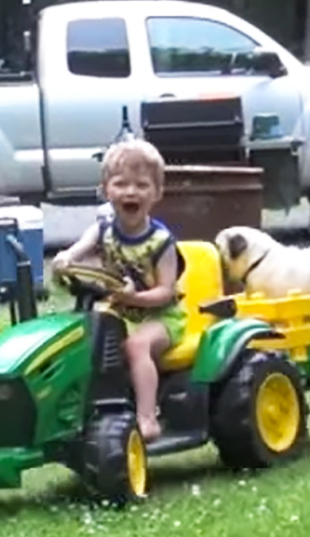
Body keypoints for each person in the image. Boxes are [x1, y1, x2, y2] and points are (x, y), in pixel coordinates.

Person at [52, 138, 186, 441]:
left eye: (141, 185)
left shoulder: (161, 242)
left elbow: (166, 292)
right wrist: (66, 259)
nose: (130, 192)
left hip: (161, 318)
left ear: (157, 193)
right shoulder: (104, 228)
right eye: (121, 184)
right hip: (119, 311)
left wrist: (134, 297)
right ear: (106, 189)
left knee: (137, 346)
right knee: (80, 337)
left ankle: (147, 417)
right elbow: (80, 249)